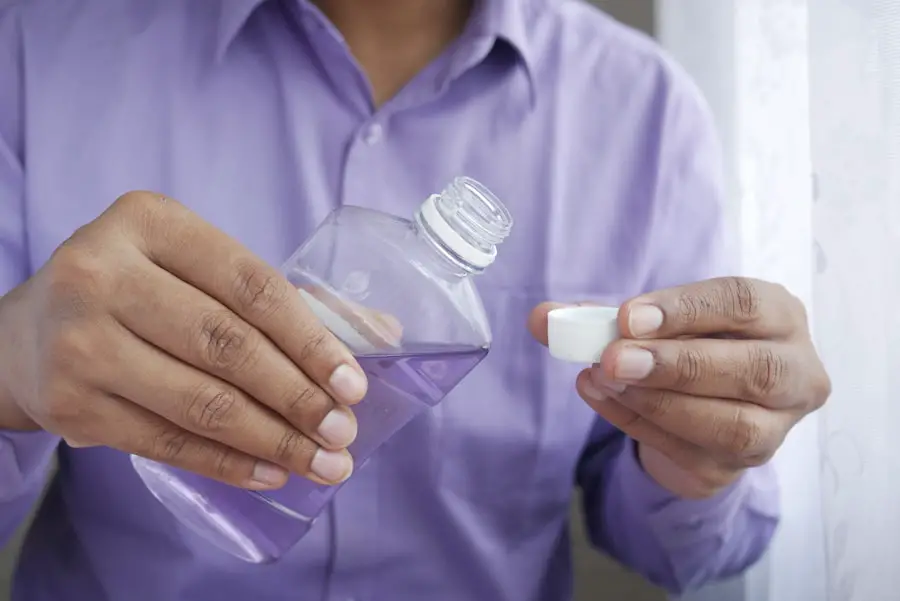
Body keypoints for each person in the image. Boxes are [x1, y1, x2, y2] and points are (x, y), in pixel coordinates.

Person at [0, 0, 831, 599]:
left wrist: (697, 456)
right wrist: (8, 371)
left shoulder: (645, 112)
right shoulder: (36, 43)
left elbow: (679, 551)